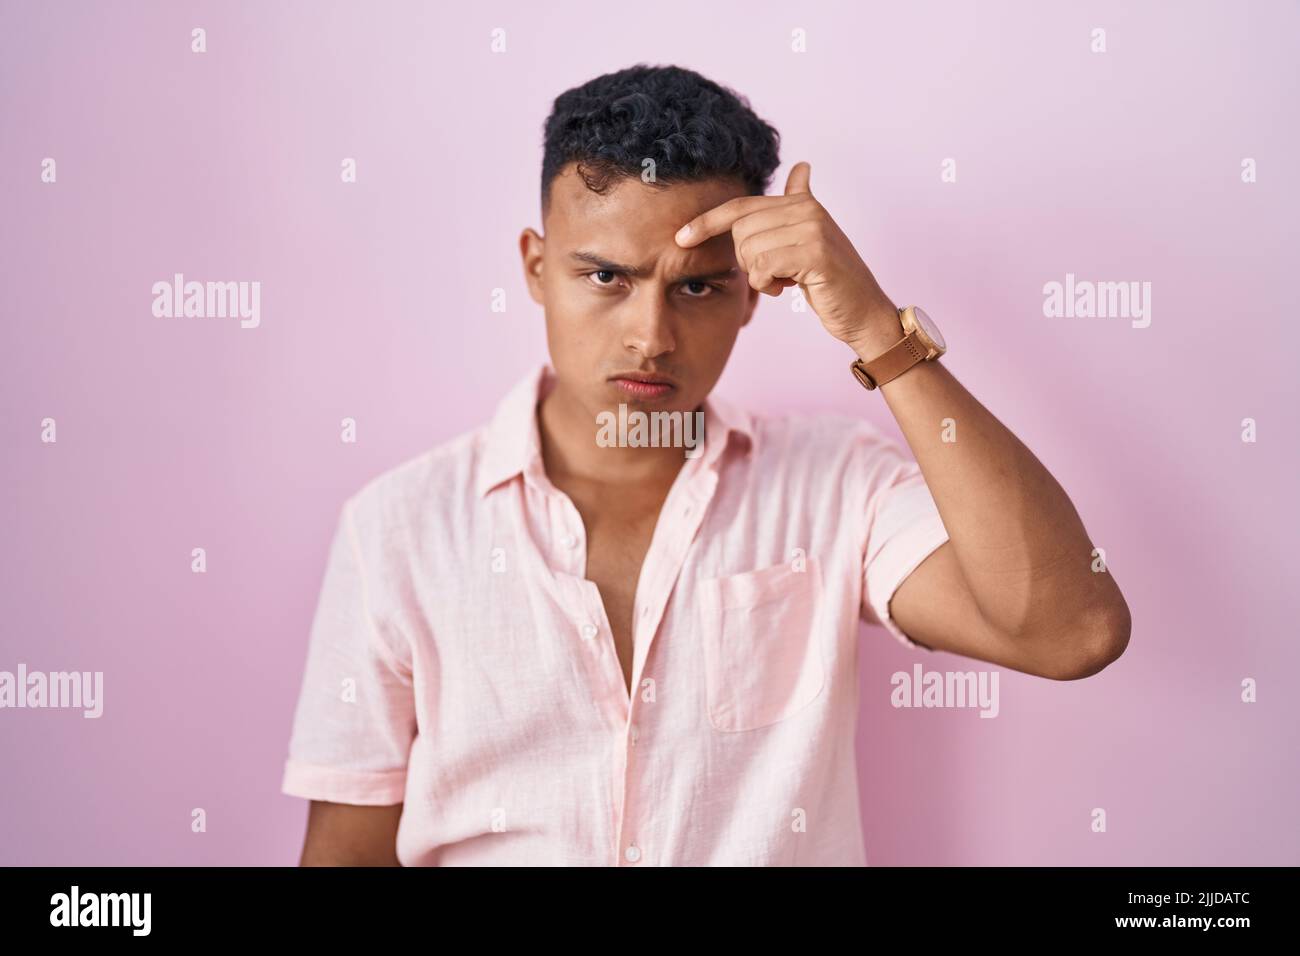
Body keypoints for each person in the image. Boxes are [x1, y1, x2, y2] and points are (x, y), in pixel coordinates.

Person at [280, 63, 1131, 866]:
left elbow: (1073, 631)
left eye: (697, 287)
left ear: (754, 292)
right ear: (537, 269)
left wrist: (876, 327)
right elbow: (347, 853)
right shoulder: (397, 528)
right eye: (606, 275)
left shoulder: (835, 486)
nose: (650, 335)